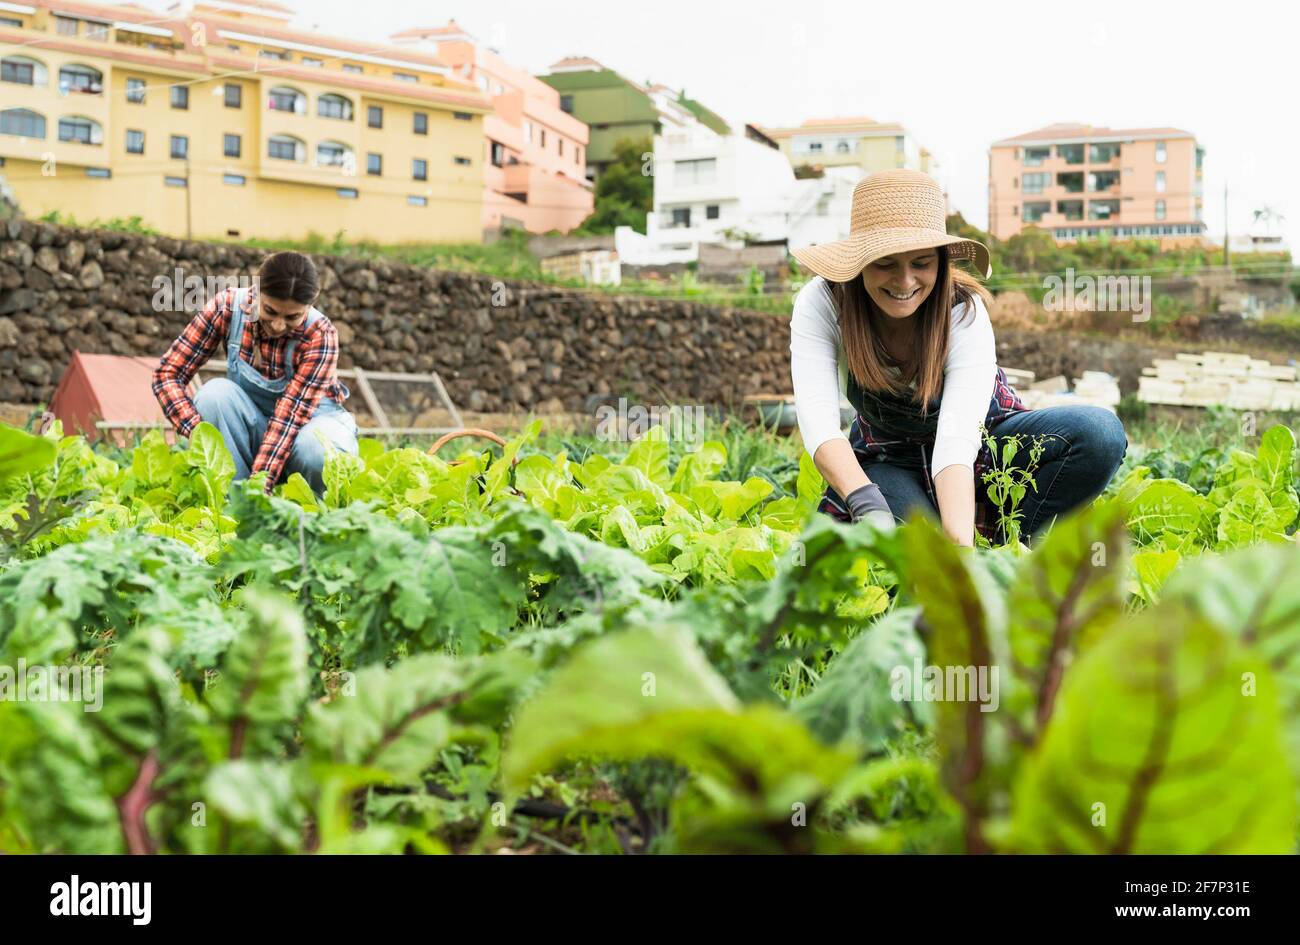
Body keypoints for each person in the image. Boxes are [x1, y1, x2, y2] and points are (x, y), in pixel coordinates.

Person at [789, 169, 1128, 546]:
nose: (904, 282)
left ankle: (1015, 551)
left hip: (982, 446)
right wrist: (867, 503)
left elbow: (955, 443)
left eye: (920, 263)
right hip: (890, 459)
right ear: (860, 260)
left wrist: (964, 555)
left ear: (940, 261)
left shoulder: (963, 310)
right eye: (885, 263)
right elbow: (819, 423)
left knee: (1099, 433)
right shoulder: (822, 302)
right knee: (921, 547)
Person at [152, 251, 358, 494]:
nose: (279, 325)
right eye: (270, 311)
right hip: (256, 430)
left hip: (309, 429)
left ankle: (313, 517)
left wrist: (260, 489)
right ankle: (232, 503)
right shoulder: (227, 307)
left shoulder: (320, 334)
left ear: (310, 304)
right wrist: (200, 433)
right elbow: (167, 374)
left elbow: (289, 417)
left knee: (315, 449)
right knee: (214, 395)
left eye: (292, 316)